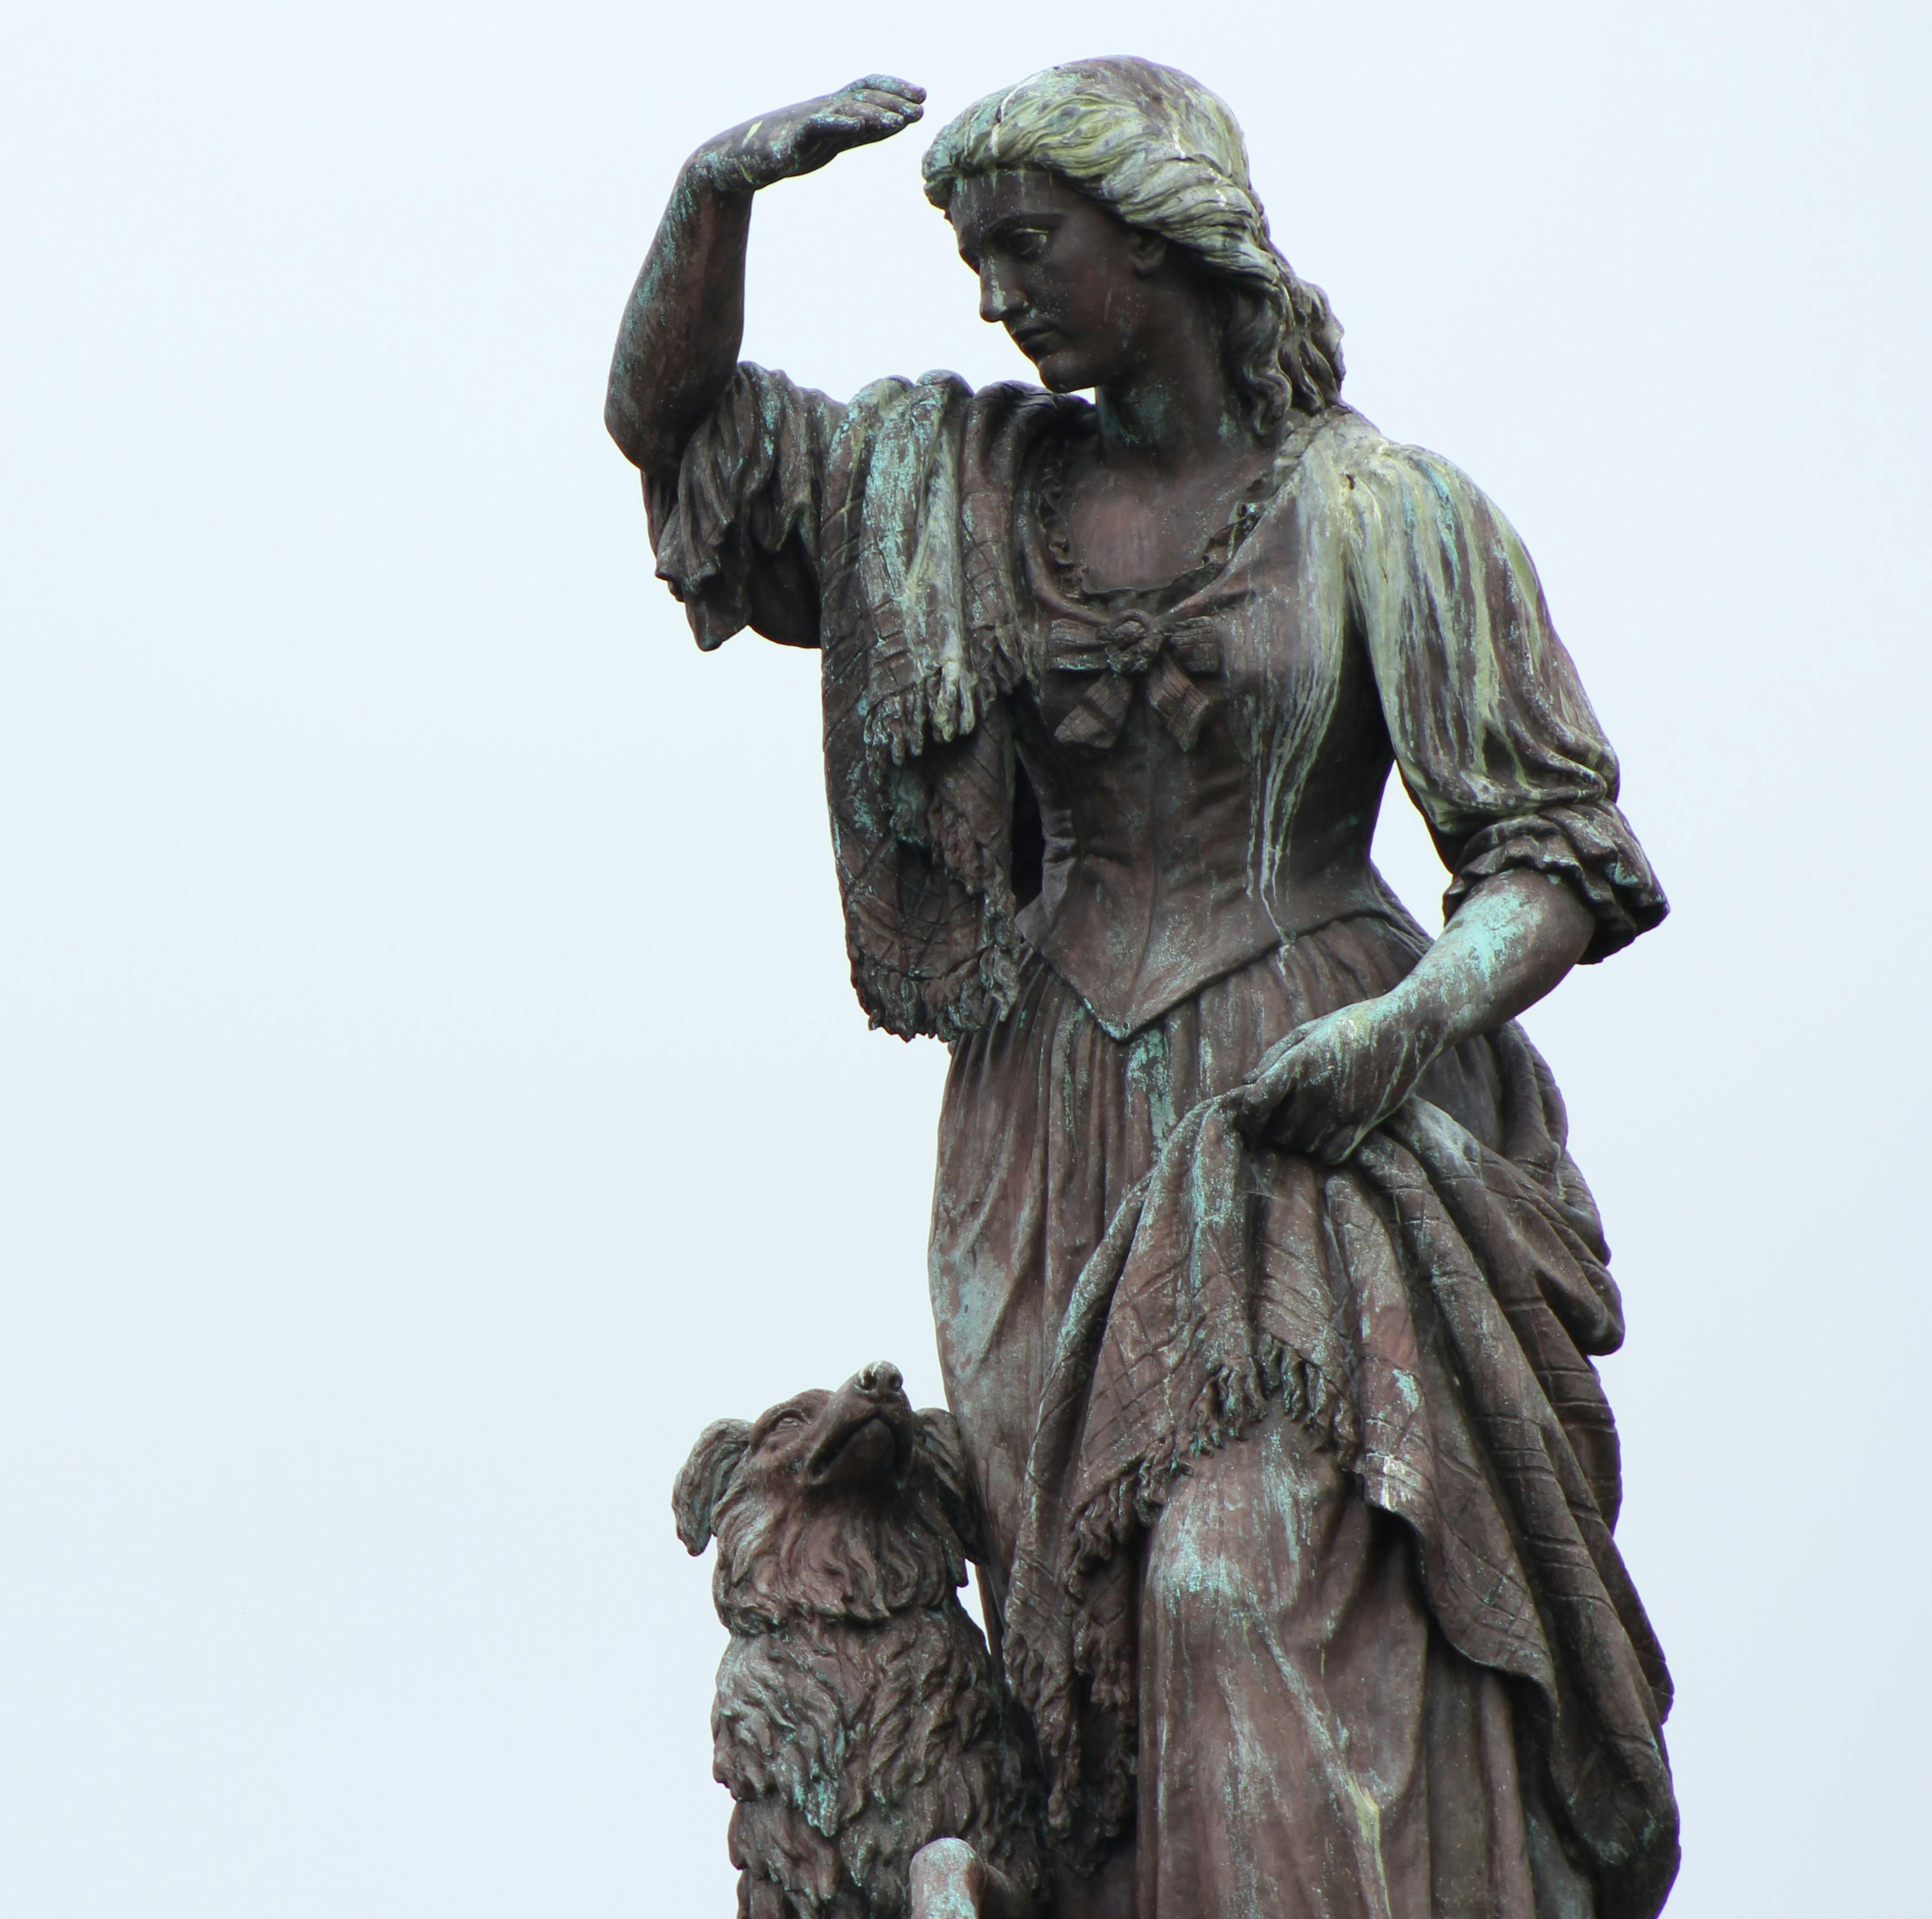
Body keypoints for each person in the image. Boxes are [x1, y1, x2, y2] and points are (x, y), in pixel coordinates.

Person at [606, 57, 1678, 1919]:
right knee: (1069, 1663)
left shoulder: (1383, 511)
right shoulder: (945, 488)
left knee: (1230, 1576)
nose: (998, 296)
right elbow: (675, 430)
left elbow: (1551, 857)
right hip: (1040, 1129)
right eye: (975, 262)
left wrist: (1407, 1028)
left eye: (1029, 245)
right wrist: (715, 202)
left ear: (1168, 234)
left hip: (1306, 1123)